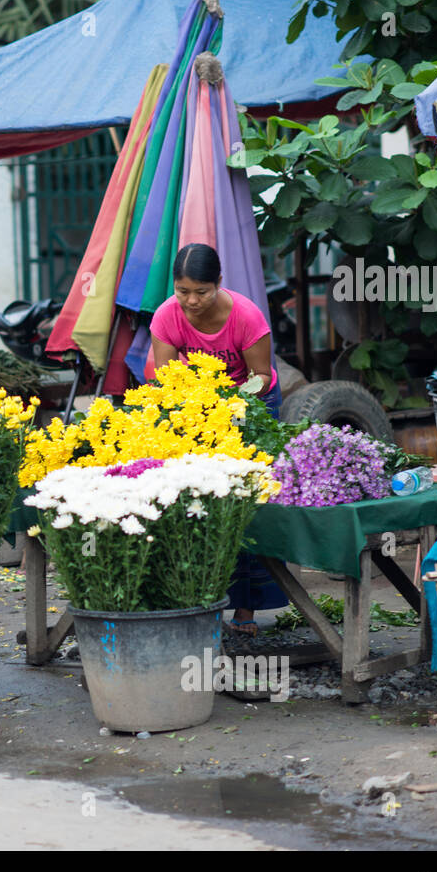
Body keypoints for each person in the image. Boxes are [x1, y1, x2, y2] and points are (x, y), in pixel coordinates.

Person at [149, 243, 285, 635]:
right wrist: (199, 411)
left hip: (253, 404)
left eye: (201, 291)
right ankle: (200, 605)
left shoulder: (246, 317)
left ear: (219, 283)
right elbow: (168, 381)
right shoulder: (165, 317)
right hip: (196, 408)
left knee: (249, 501)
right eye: (182, 291)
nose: (191, 301)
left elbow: (260, 377)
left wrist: (228, 405)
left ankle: (247, 611)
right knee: (201, 502)